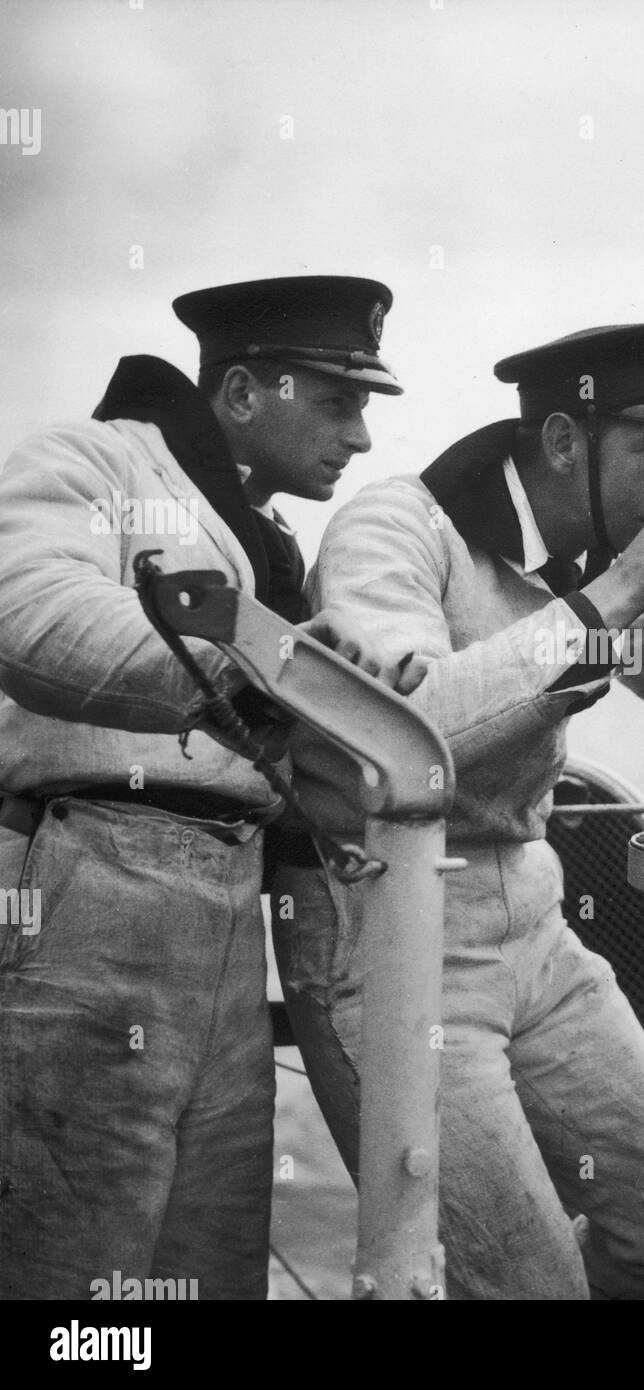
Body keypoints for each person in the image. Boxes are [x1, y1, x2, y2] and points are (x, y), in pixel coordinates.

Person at [272, 318, 644, 1299]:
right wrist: (622, 591)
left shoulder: (586, 558)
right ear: (563, 444)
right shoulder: (397, 529)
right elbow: (401, 739)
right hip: (398, 936)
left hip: (536, 936)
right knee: (530, 1282)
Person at [0, 275, 401, 1300]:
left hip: (229, 916)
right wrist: (255, 659)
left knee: (205, 1262)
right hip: (98, 885)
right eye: (339, 401)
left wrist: (347, 714)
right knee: (76, 1267)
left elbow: (267, 737)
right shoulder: (90, 461)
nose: (359, 438)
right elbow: (28, 608)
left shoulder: (263, 541)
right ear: (239, 392)